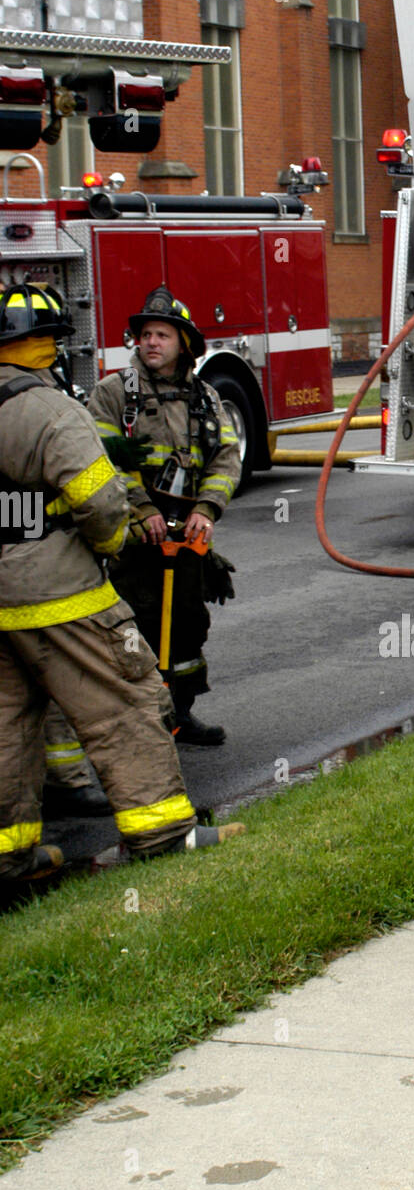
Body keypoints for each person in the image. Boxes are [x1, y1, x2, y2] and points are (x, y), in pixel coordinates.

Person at [0, 284, 242, 888]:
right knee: (127, 698)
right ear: (49, 345)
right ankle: (162, 835)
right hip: (60, 591)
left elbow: (225, 458)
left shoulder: (204, 398)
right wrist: (114, 542)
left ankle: (10, 858)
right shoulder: (55, 410)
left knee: (6, 722)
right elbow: (99, 502)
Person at [87, 287, 240, 746]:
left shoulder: (206, 398)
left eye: (162, 335)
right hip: (135, 542)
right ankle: (140, 722)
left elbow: (226, 459)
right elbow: (102, 461)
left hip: (189, 539)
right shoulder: (114, 394)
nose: (151, 342)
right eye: (145, 334)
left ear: (184, 344)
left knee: (189, 625)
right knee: (136, 628)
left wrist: (207, 510)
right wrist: (143, 508)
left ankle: (181, 714)